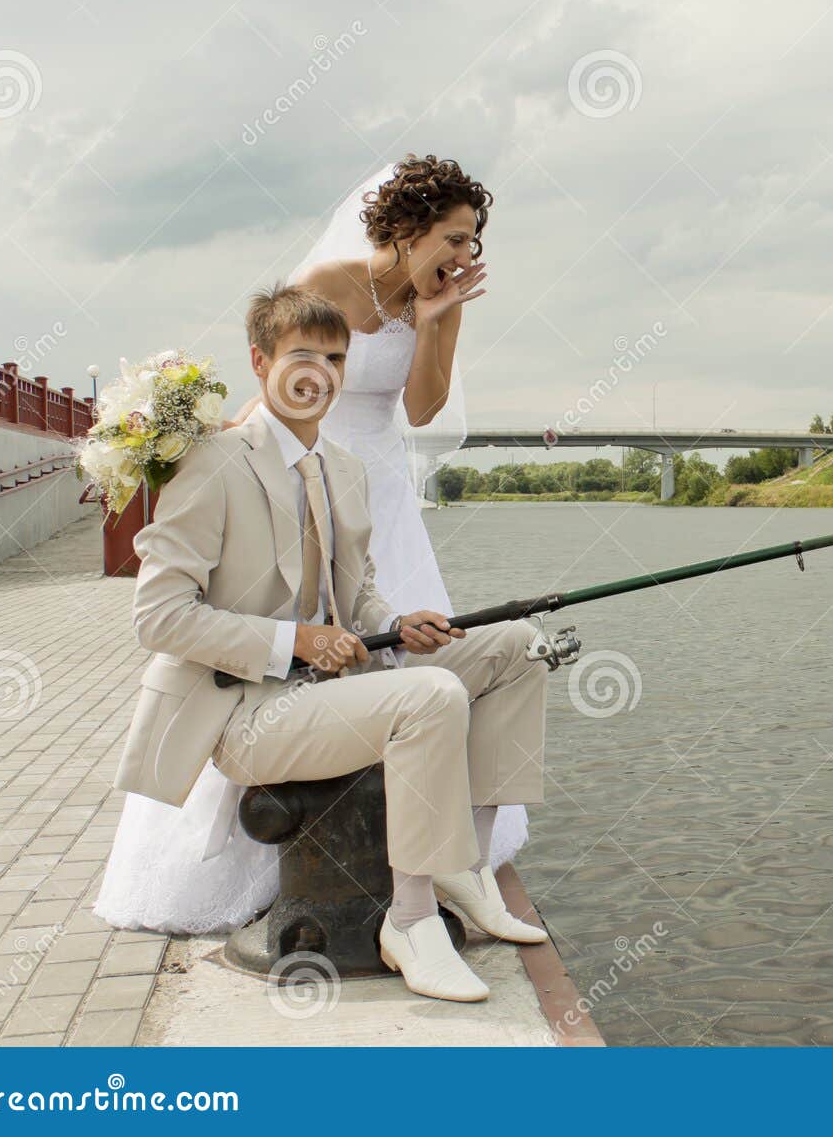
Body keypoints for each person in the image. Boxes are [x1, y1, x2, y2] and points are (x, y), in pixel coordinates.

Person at [94, 155, 530, 934]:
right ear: (407, 228)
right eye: (455, 236)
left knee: (405, 652)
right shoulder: (329, 280)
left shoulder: (446, 297)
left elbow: (423, 409)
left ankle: (431, 856)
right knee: (307, 650)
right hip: (306, 467)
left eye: (473, 240)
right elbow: (284, 371)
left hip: (376, 486)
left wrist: (434, 321)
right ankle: (292, 853)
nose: (466, 255)